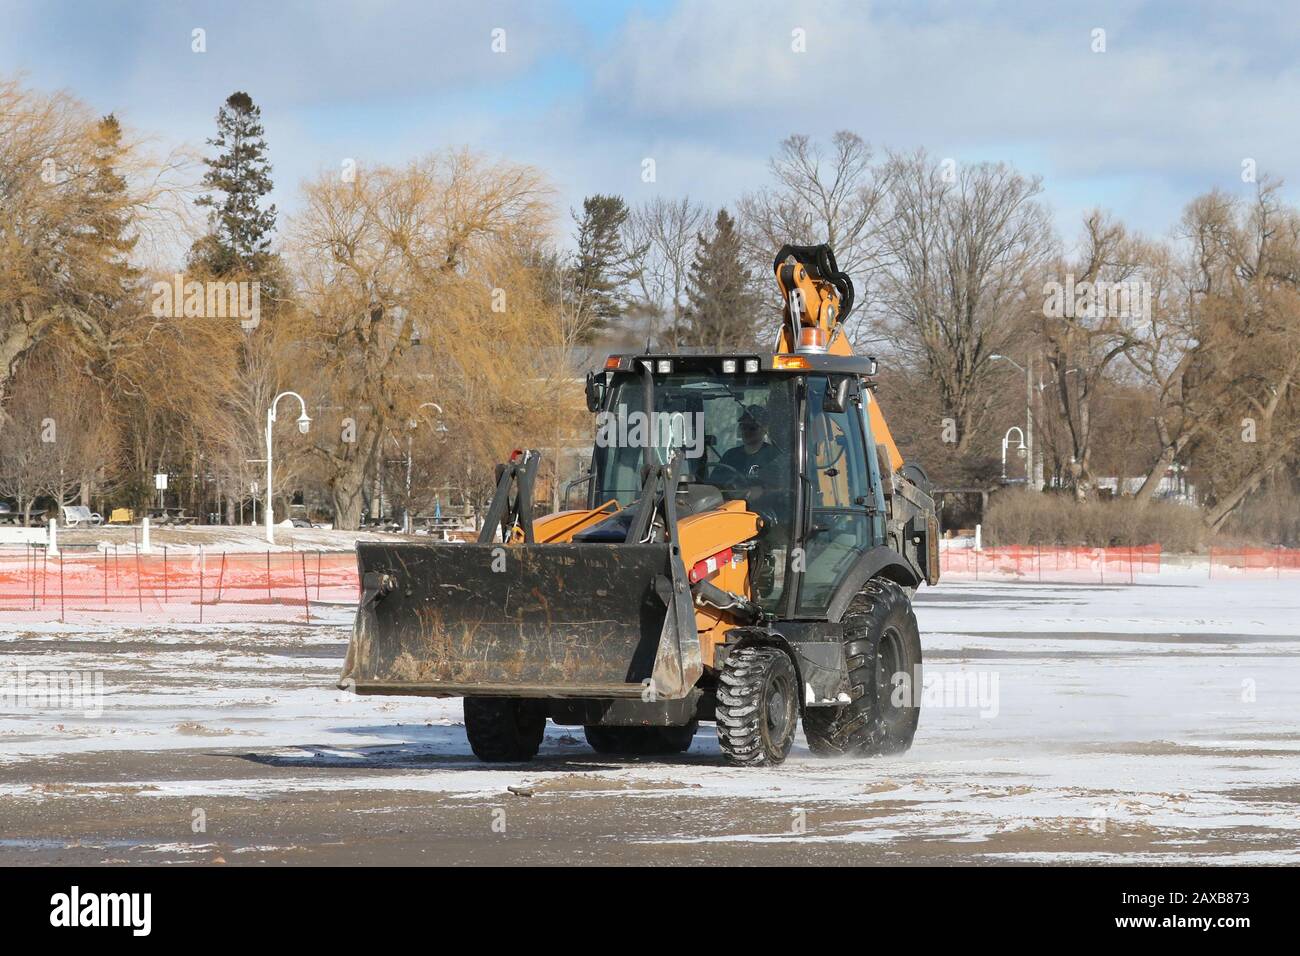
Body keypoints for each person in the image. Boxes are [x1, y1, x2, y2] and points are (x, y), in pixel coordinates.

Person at [717, 404, 781, 492]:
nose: (747, 431)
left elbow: (781, 489)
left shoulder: (774, 457)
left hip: (763, 505)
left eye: (752, 428)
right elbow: (714, 485)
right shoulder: (730, 456)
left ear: (765, 428)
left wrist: (762, 490)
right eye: (744, 427)